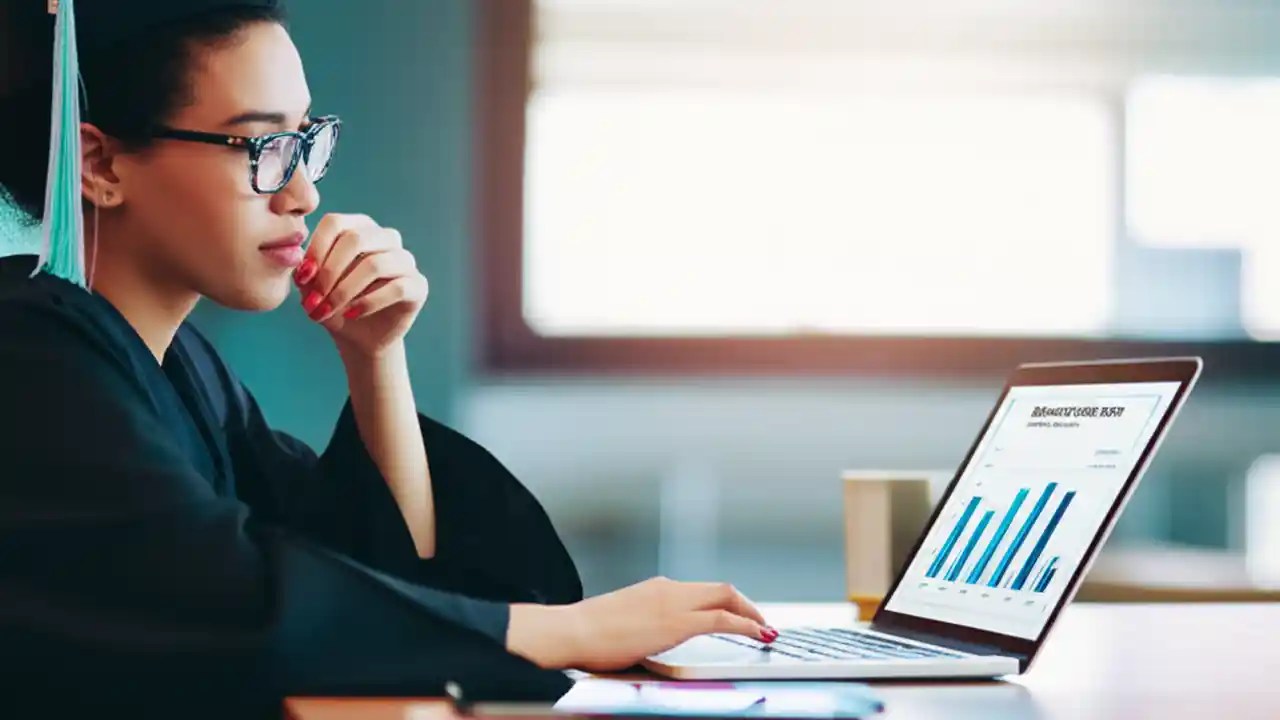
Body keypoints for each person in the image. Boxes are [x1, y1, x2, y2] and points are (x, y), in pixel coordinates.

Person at [0, 0, 776, 715]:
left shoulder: (176, 364)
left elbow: (380, 587)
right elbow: (244, 605)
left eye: (306, 141)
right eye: (264, 147)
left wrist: (376, 356)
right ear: (100, 165)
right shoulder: (32, 356)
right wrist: (568, 631)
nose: (302, 192)